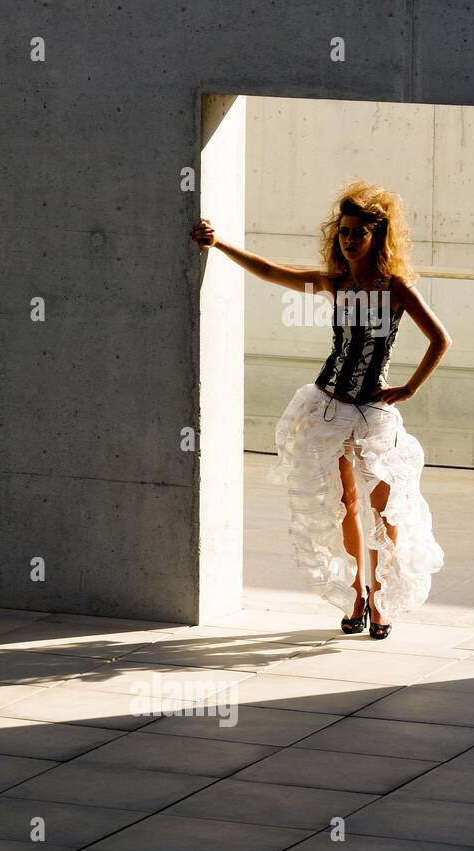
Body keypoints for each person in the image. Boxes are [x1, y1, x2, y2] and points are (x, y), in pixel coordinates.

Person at [189, 180, 451, 638]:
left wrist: (408, 388)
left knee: (382, 509)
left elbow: (440, 339)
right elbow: (271, 271)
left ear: (377, 237)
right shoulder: (336, 283)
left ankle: (382, 598)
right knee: (346, 502)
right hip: (329, 406)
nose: (349, 240)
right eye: (344, 232)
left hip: (373, 411)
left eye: (359, 233)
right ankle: (358, 593)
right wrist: (220, 242)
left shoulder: (395, 288)